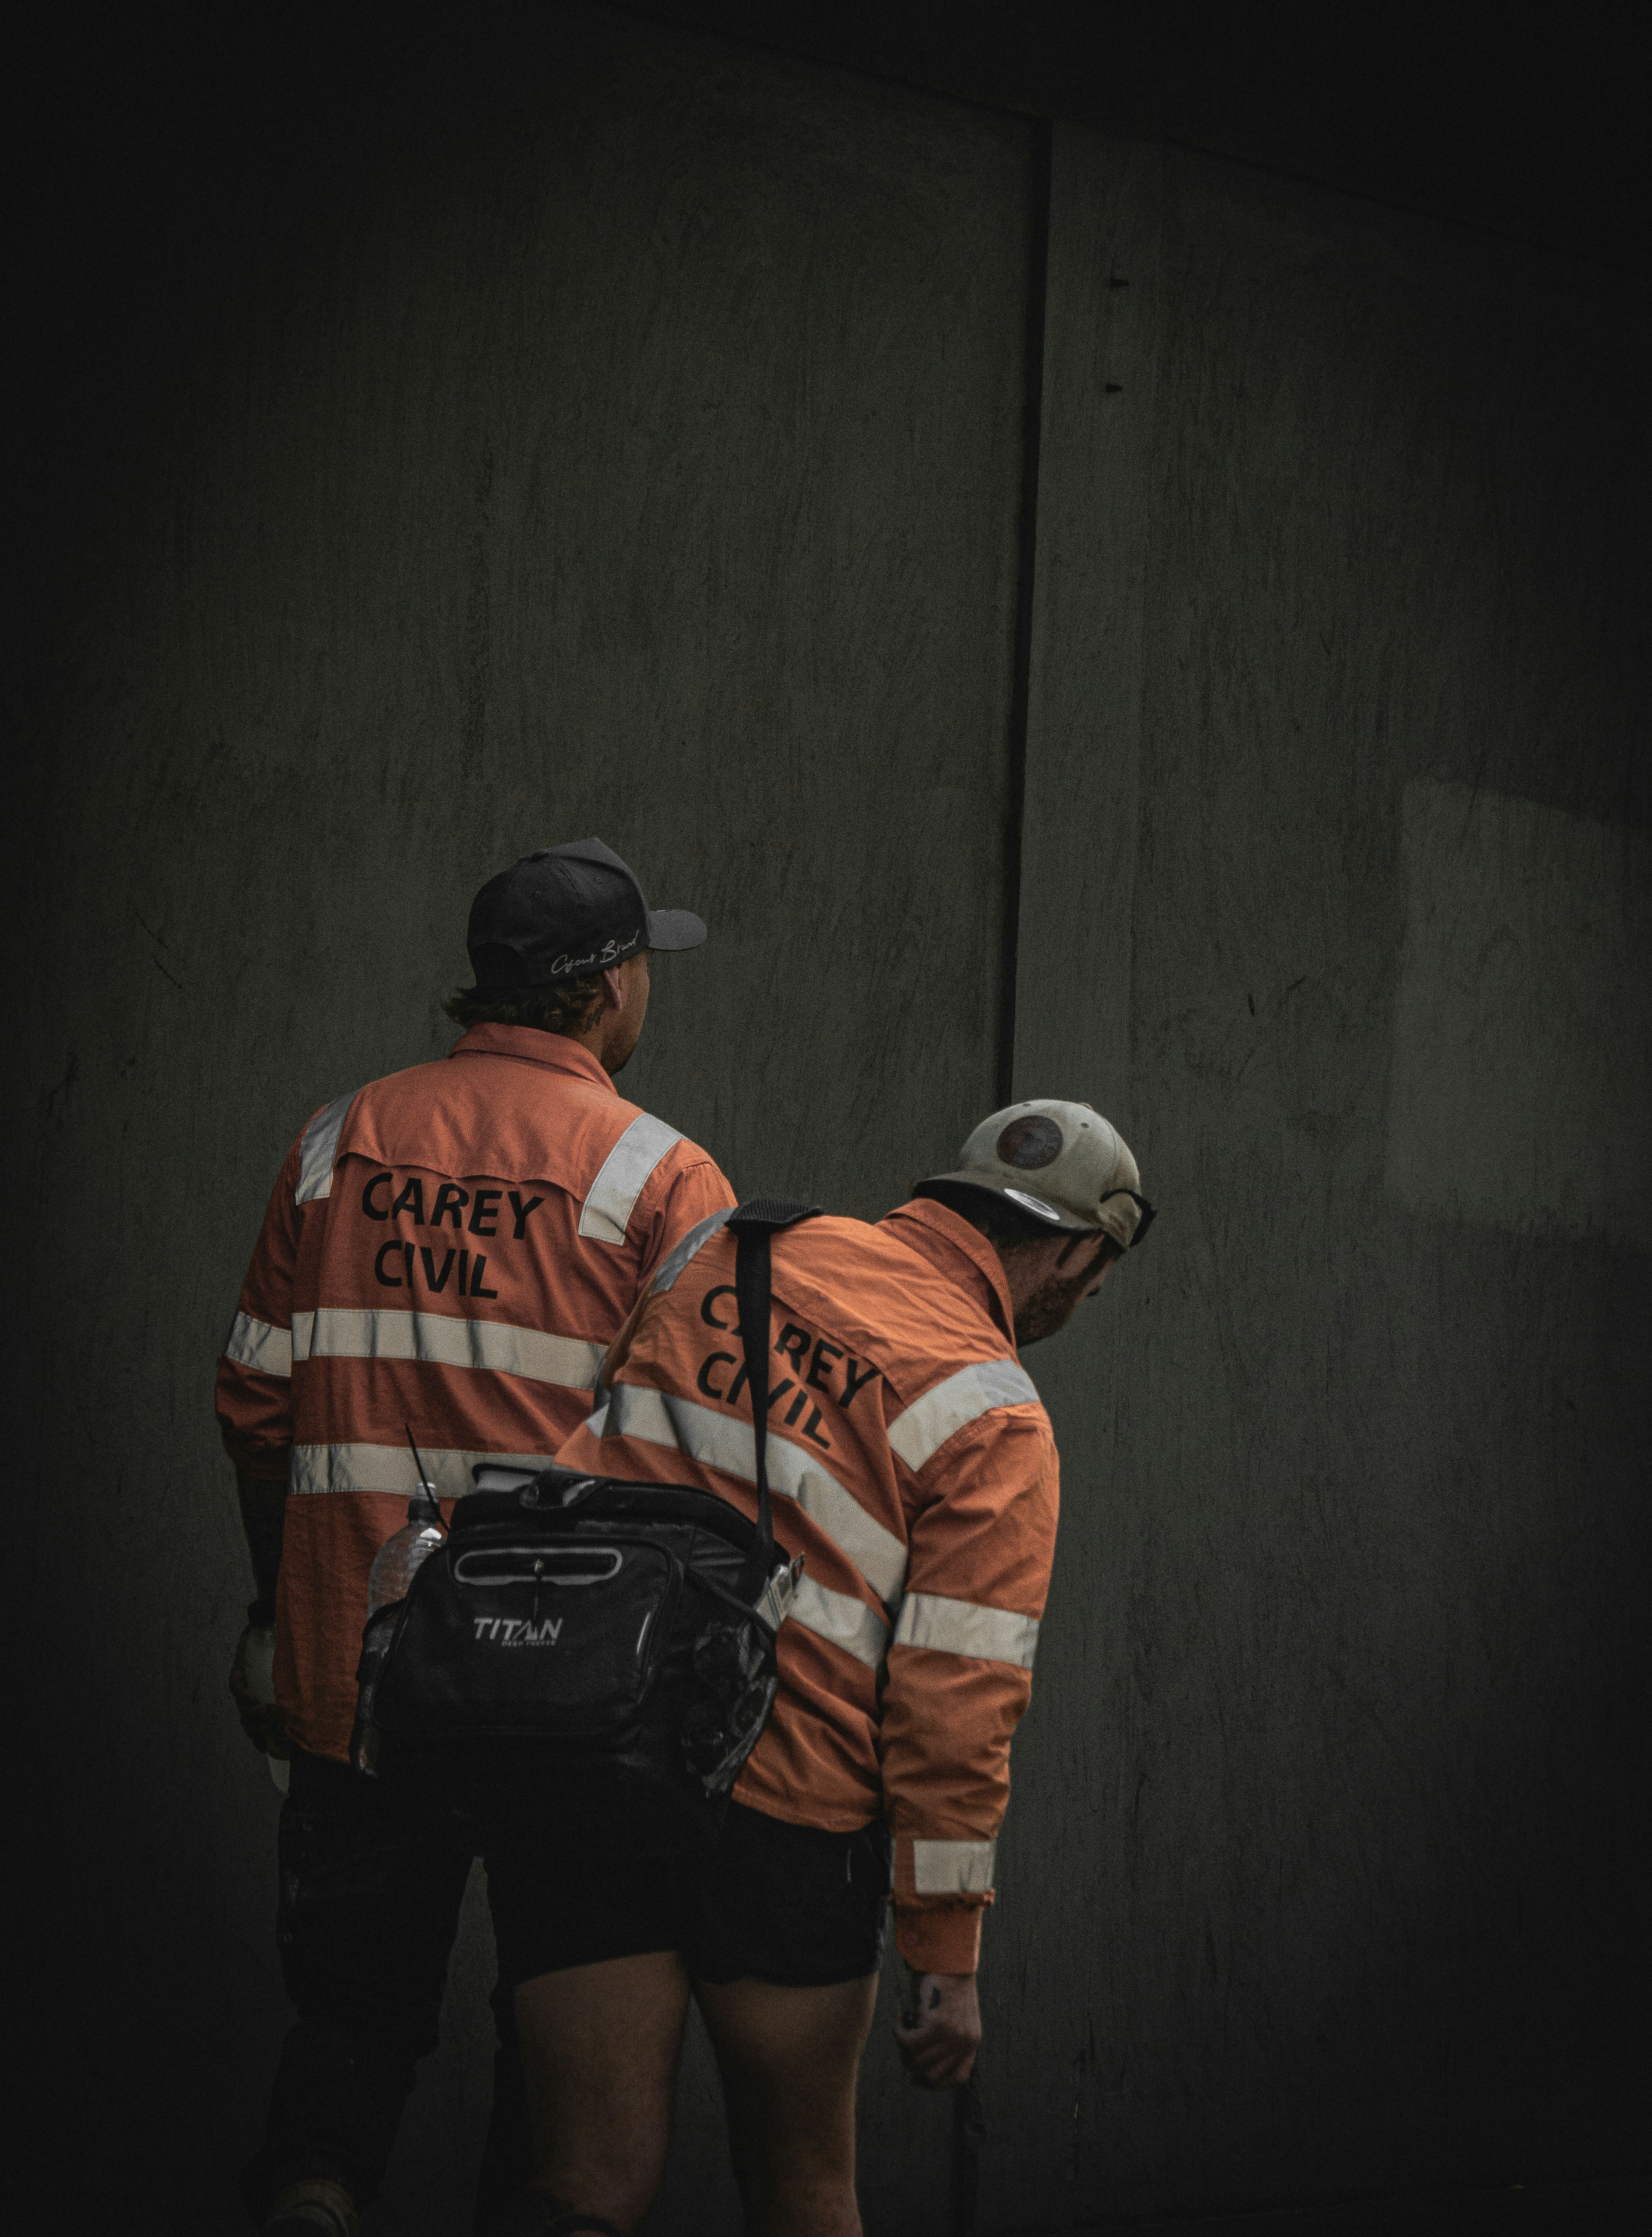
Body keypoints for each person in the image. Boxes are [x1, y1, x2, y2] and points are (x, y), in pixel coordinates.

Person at [482, 1099, 1154, 2237]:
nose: (1087, 1304)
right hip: (785, 1817)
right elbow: (956, 1705)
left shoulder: (734, 1245)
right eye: (1097, 1281)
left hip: (596, 1762)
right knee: (802, 2192)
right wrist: (946, 1949)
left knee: (587, 2183)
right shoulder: (996, 1414)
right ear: (1082, 1251)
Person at [216, 839, 736, 2237]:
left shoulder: (336, 1145)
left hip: (359, 1682)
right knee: (559, 2060)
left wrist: (285, 1612)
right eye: (642, 966)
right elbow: (715, 1463)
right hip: (571, 1703)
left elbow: (257, 1406)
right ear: (610, 989)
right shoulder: (660, 1177)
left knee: (350, 2023)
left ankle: (314, 2203)